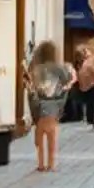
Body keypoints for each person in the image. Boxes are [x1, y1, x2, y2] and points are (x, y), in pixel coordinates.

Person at [25, 41, 74, 172]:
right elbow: (68, 80)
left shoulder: (36, 69)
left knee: (40, 138)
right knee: (52, 137)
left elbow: (32, 87)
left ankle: (41, 164)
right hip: (55, 105)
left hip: (40, 105)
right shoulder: (59, 68)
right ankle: (52, 164)